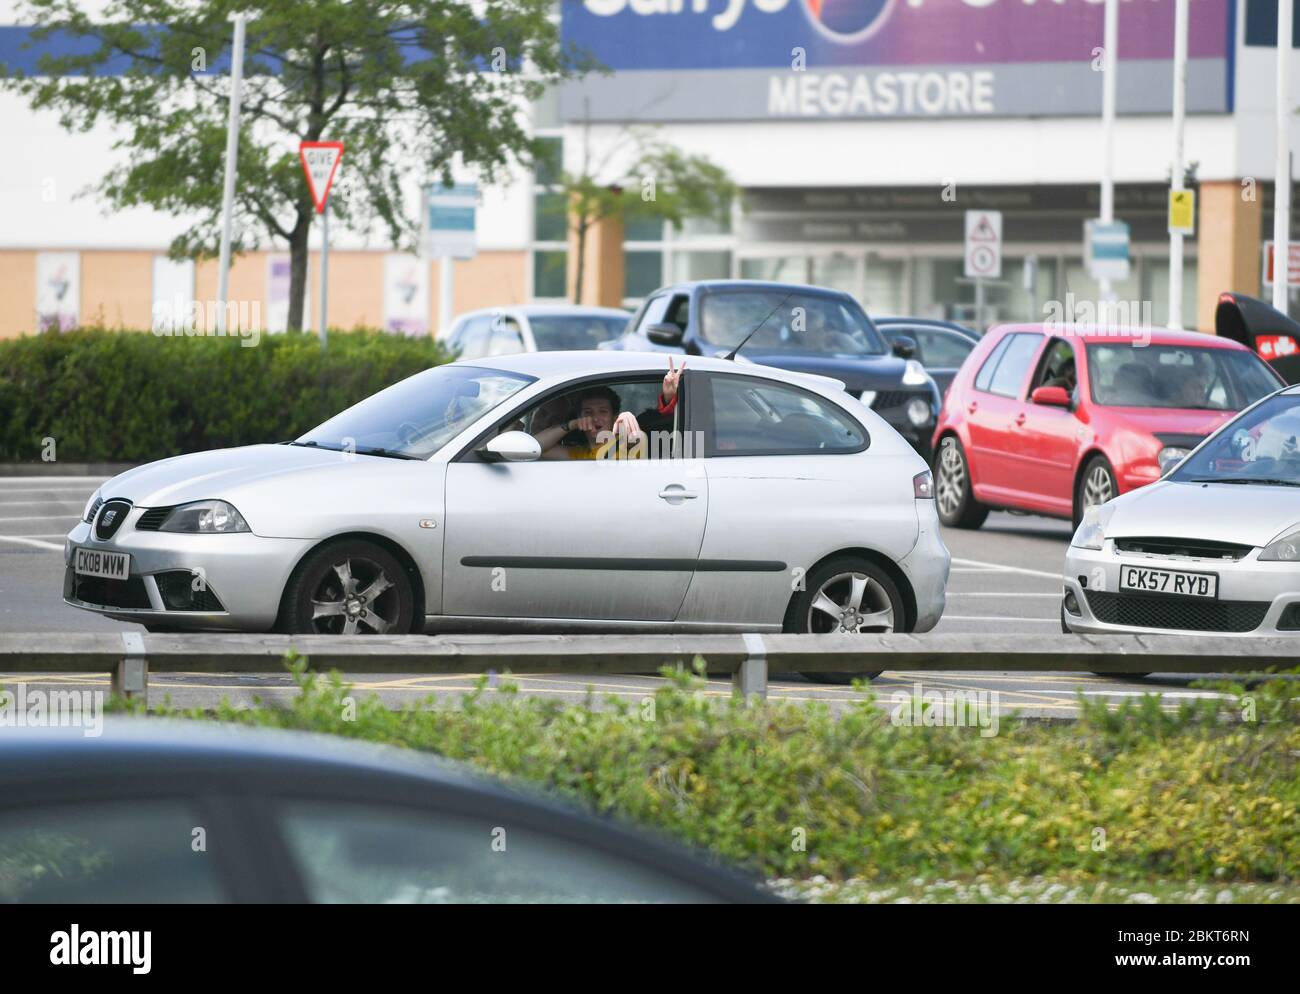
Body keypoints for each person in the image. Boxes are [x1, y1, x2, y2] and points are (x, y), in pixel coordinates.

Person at [533, 357, 685, 460]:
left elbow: (638, 438)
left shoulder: (626, 443)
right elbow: (537, 447)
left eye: (603, 411)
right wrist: (572, 424)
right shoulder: (579, 453)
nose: (595, 417)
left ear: (614, 417)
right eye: (588, 412)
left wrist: (669, 398)